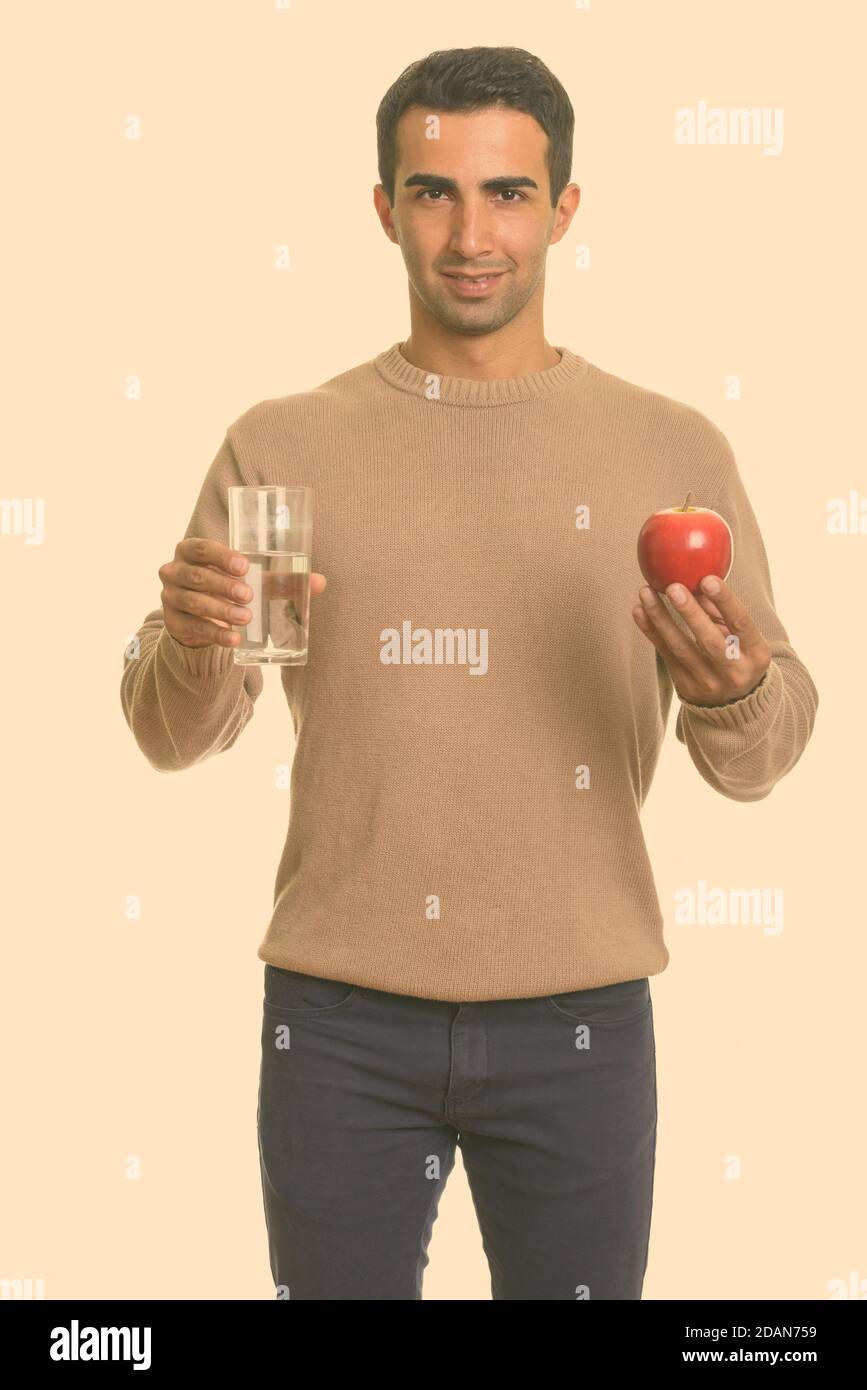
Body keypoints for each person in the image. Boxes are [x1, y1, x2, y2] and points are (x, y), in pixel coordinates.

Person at [120, 46, 819, 1300]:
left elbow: (768, 750)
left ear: (563, 210)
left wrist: (734, 690)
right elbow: (176, 735)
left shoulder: (670, 446)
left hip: (583, 1014)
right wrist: (186, 641)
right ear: (386, 210)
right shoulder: (282, 444)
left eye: (506, 192)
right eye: (433, 191)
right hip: (336, 1016)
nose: (470, 232)